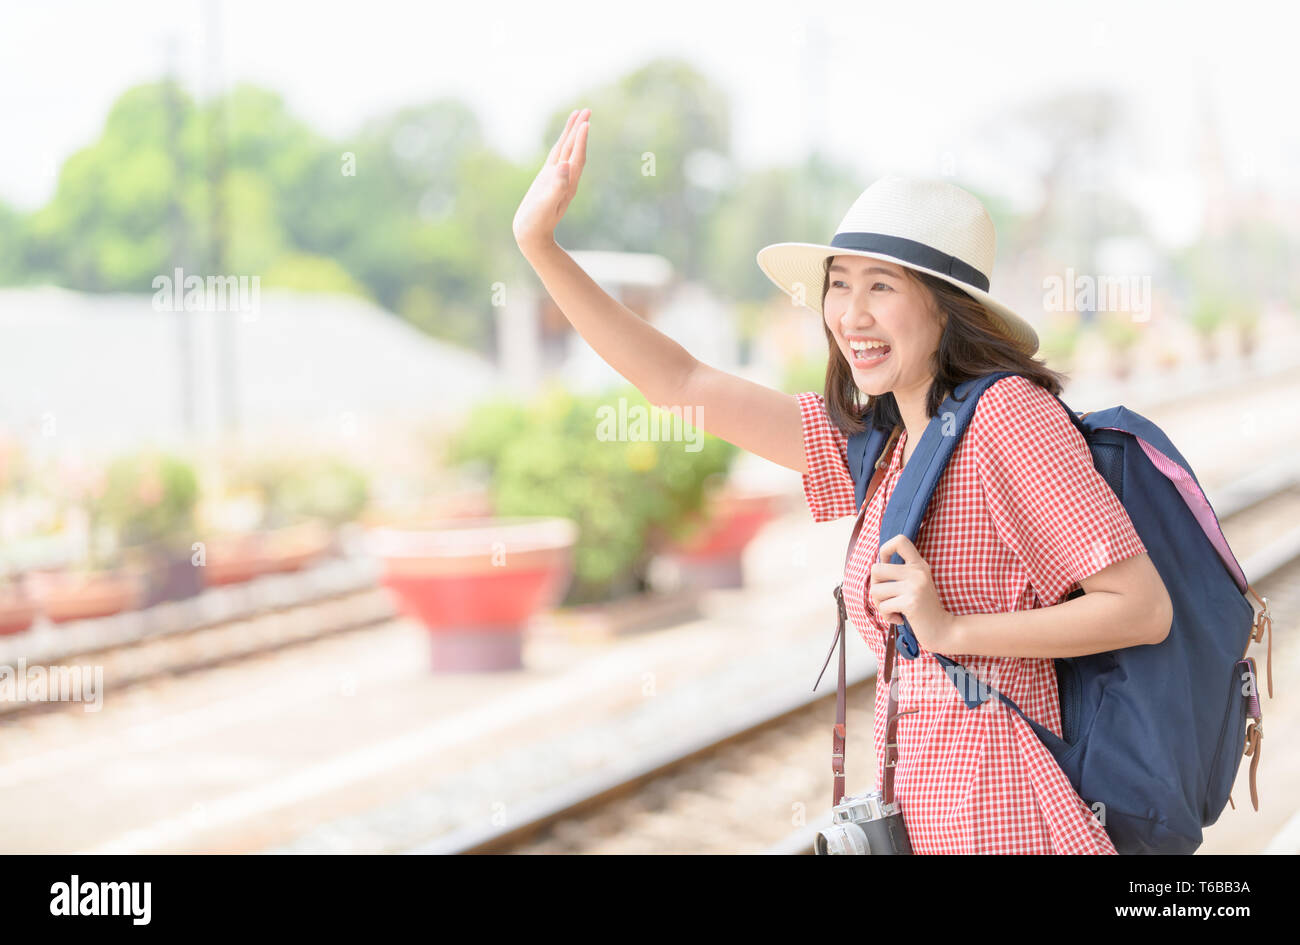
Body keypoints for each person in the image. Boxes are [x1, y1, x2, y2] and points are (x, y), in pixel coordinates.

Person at [513, 108, 1173, 854]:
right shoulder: (880, 443)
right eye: (839, 285)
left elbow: (1141, 607)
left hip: (1007, 811)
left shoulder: (1009, 416)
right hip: (925, 807)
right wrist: (541, 248)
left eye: (881, 287)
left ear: (944, 304)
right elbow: (681, 380)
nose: (850, 314)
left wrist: (955, 630)